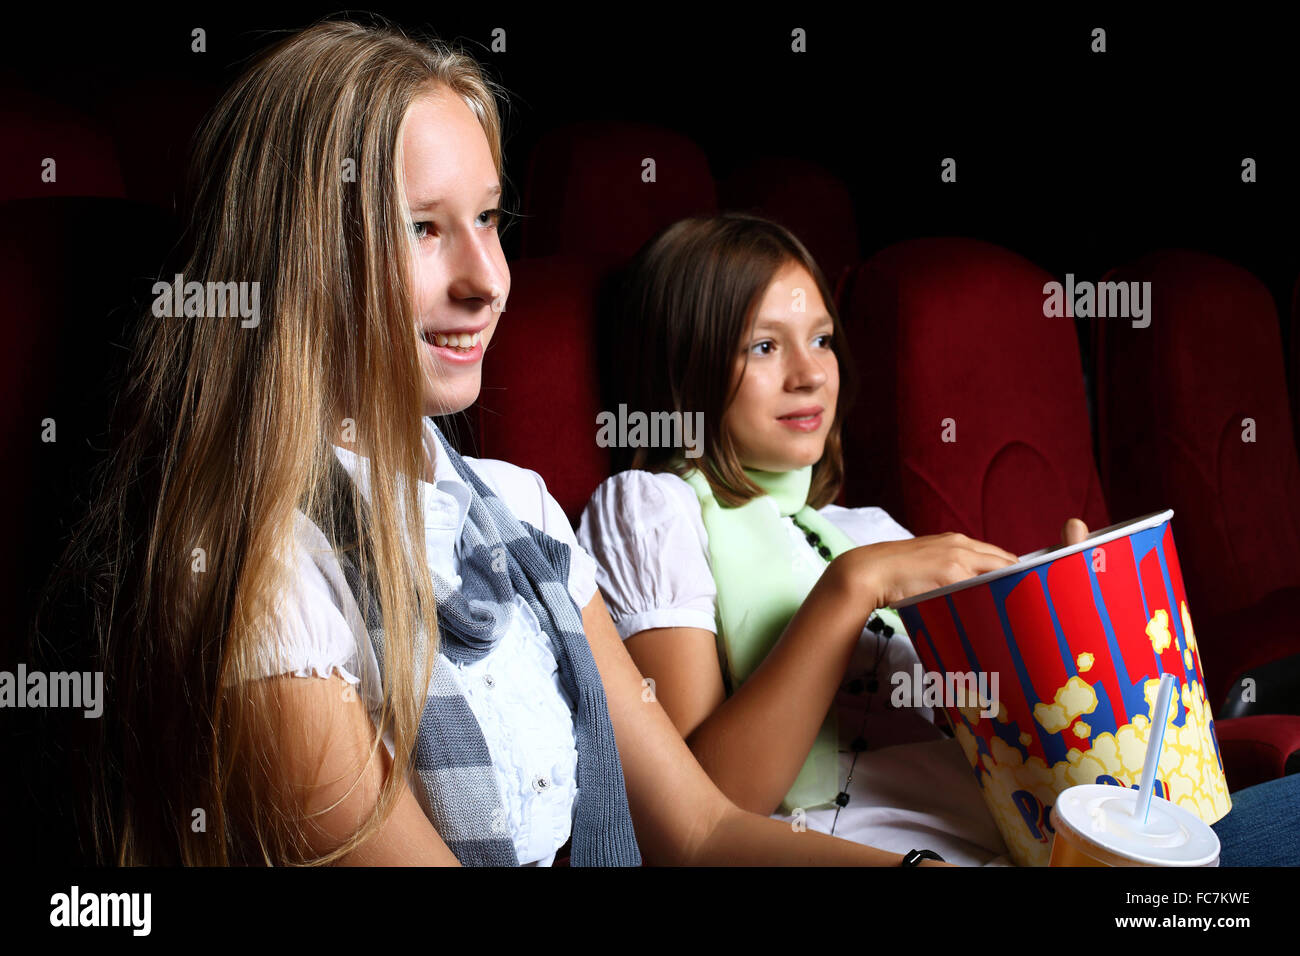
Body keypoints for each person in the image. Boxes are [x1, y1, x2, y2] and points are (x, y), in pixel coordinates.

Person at [30, 19, 953, 866]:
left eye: (488, 220)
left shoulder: (518, 506)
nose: (489, 280)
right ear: (299, 255)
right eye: (422, 229)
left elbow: (702, 832)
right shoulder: (259, 572)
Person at [576, 213, 1299, 867]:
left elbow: (1027, 730)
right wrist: (851, 589)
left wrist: (1080, 598)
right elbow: (705, 809)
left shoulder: (867, 531)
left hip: (1047, 836)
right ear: (685, 368)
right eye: (763, 346)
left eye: (822, 339)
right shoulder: (651, 508)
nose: (809, 374)